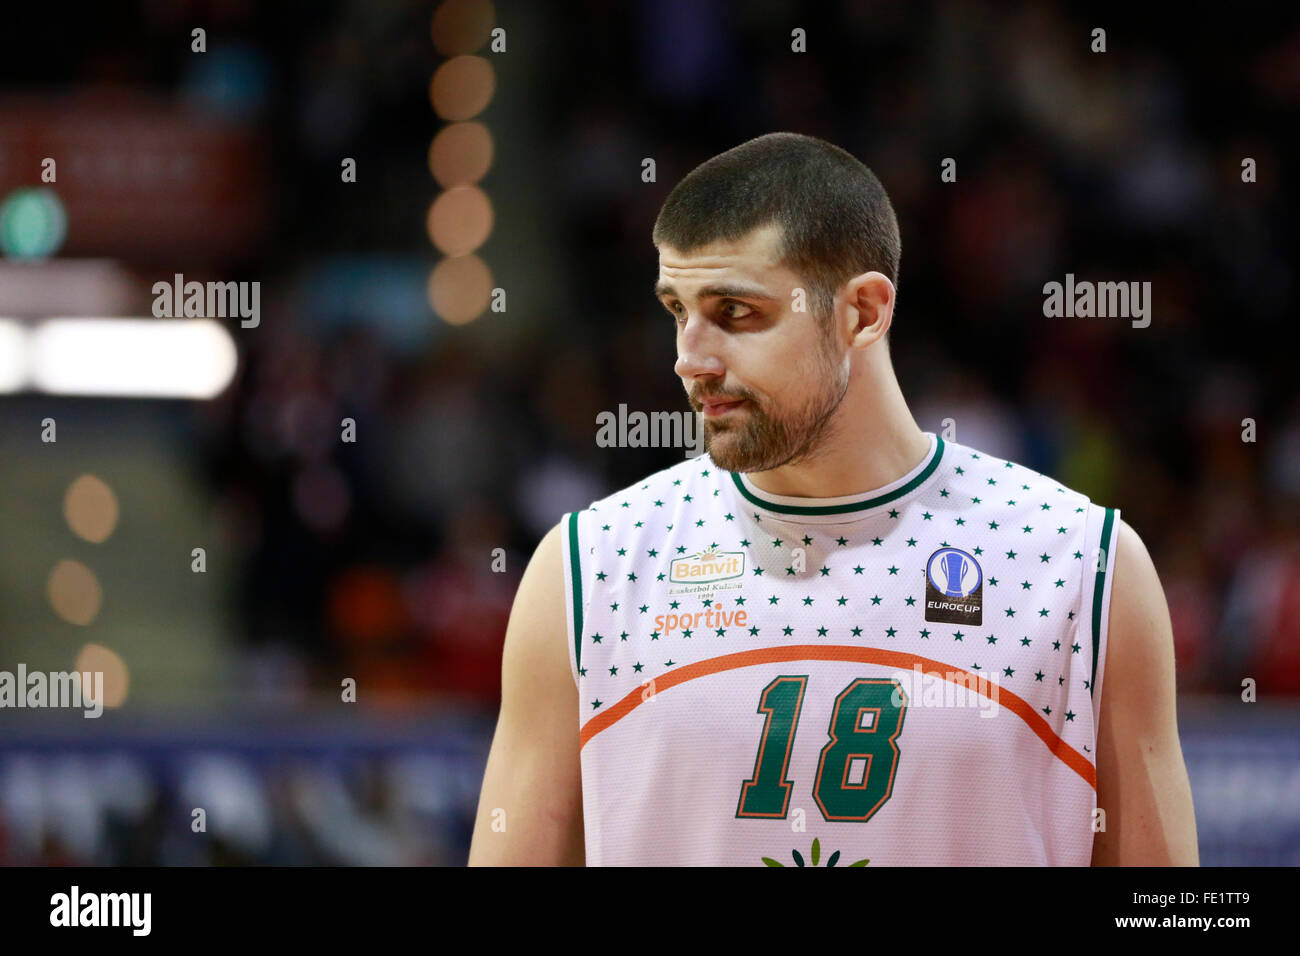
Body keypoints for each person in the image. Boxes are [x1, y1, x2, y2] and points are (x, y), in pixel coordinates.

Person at [468, 132, 1198, 866]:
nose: (691, 356)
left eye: (736, 312)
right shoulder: (589, 564)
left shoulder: (1081, 563)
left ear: (863, 312)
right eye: (677, 309)